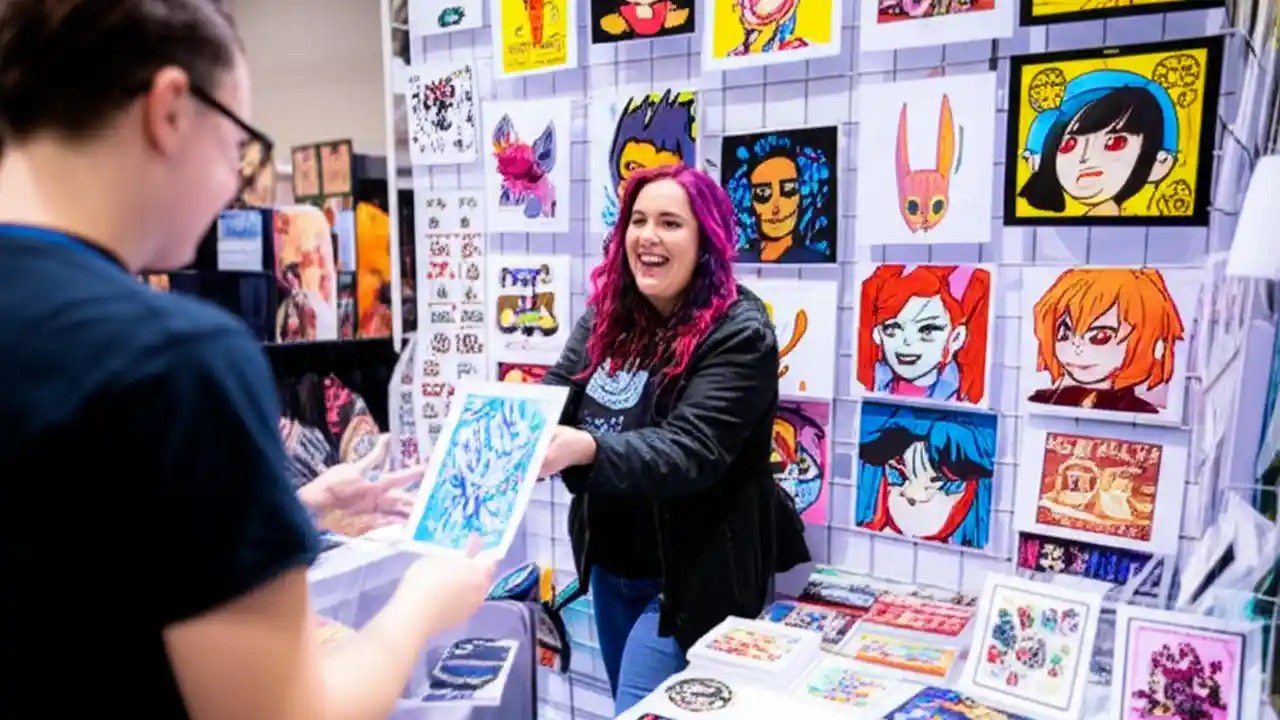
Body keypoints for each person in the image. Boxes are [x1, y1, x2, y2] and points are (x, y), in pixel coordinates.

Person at [0, 2, 494, 718]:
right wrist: (420, 602)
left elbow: (71, 567)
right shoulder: (173, 358)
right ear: (170, 109)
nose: (236, 181)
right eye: (240, 143)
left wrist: (294, 514)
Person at [537, 164, 810, 714]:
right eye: (637, 221)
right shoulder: (607, 318)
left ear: (705, 238)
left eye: (669, 223)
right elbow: (553, 397)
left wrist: (585, 448)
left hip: (692, 581)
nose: (648, 236)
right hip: (613, 569)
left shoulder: (740, 332)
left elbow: (689, 450)